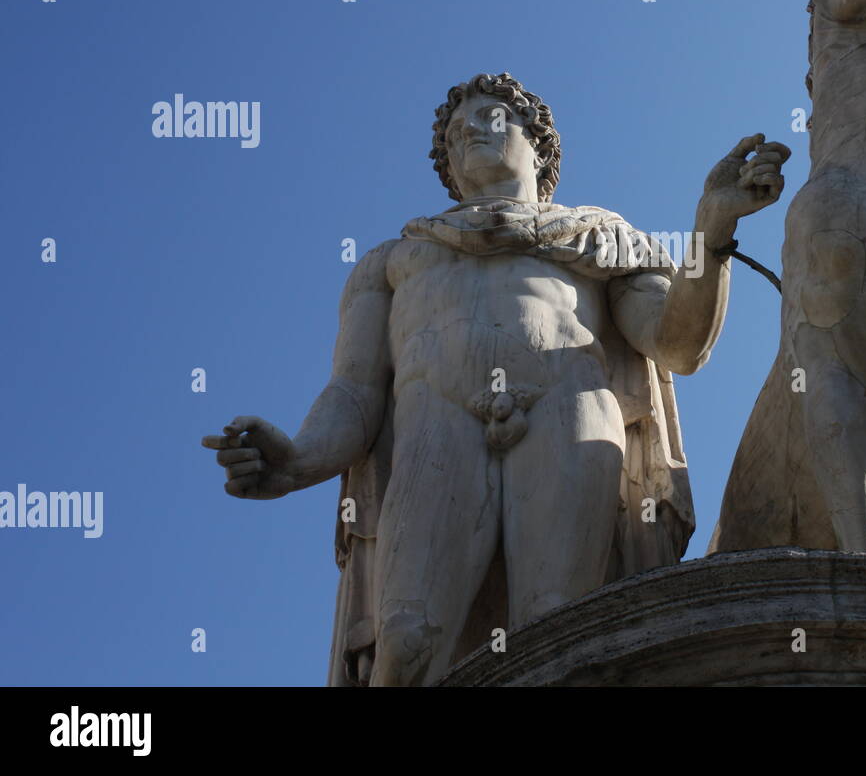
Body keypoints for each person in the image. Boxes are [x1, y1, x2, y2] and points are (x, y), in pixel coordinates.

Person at [201, 72, 788, 685]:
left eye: (491, 118)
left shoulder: (598, 239)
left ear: (538, 144)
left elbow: (678, 344)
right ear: (448, 168)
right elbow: (355, 394)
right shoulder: (393, 261)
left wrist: (712, 232)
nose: (469, 133)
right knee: (406, 641)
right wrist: (296, 460)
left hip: (569, 412)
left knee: (556, 635)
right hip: (436, 428)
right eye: (455, 133)